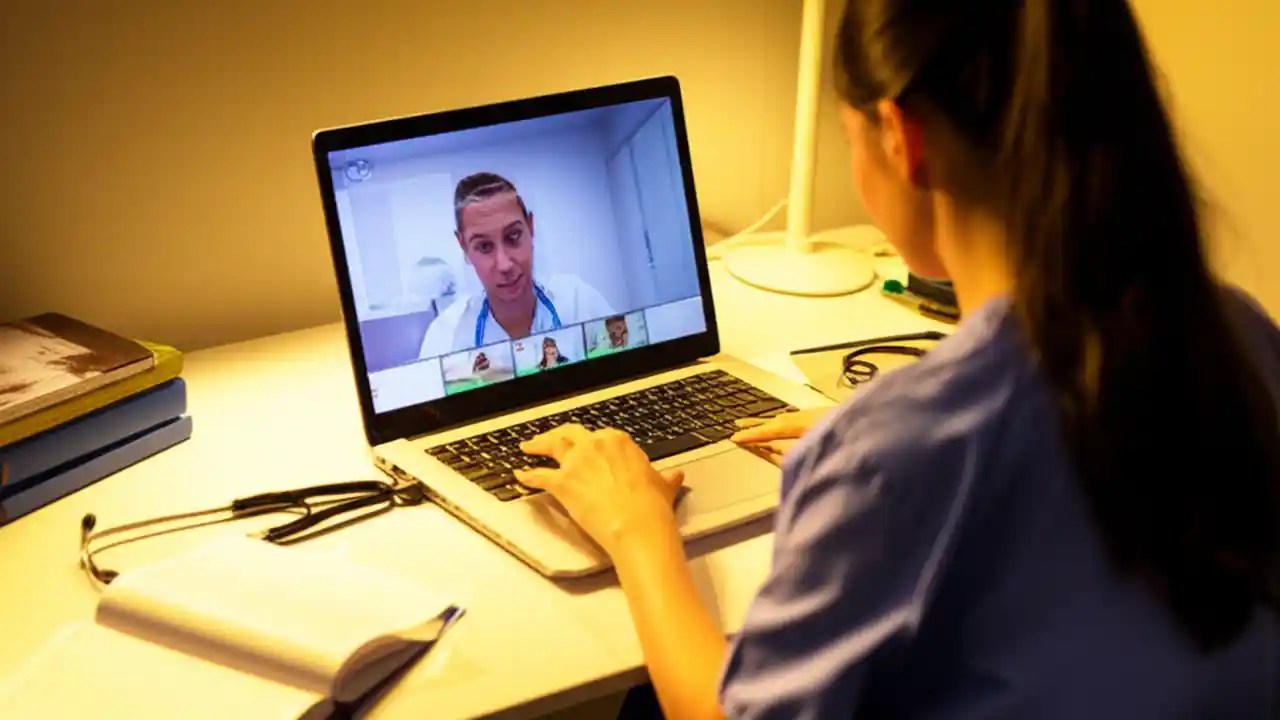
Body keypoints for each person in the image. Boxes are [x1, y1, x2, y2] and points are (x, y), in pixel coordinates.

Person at [512, 1, 1280, 718]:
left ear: (900, 138)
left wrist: (637, 527)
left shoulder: (901, 450)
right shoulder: (1234, 333)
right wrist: (881, 433)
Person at [418, 172, 616, 359]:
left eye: (513, 237)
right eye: (485, 246)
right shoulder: (444, 338)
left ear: (530, 228)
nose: (504, 264)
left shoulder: (580, 304)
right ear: (464, 247)